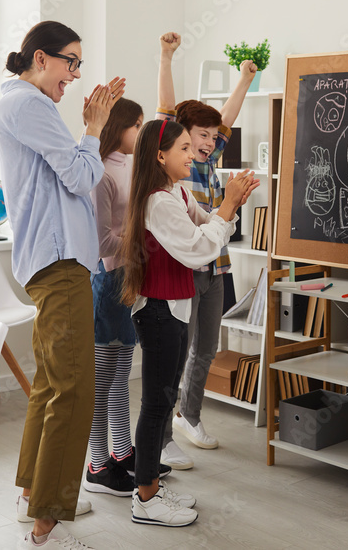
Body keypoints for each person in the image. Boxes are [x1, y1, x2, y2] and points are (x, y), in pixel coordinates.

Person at [0, 20, 124, 550]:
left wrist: (86, 136)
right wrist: (93, 128)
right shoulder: (29, 104)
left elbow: (67, 172)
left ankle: (33, 494)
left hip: (54, 259)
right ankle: (50, 521)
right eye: (70, 62)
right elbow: (79, 177)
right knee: (74, 386)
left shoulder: (25, 104)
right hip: (59, 262)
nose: (75, 75)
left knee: (51, 383)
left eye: (79, 64)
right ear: (40, 58)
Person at [119, 119, 258, 526]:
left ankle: (151, 488)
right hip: (159, 312)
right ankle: (145, 498)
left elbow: (205, 225)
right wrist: (228, 209)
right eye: (183, 148)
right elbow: (198, 250)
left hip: (175, 308)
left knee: (165, 404)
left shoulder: (177, 191)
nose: (193, 154)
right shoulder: (158, 201)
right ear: (160, 156)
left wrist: (229, 207)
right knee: (156, 406)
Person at [155, 31, 258, 469]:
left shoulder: (212, 160)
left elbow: (226, 118)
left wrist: (245, 78)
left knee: (206, 348)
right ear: (182, 136)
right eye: (202, 135)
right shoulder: (177, 162)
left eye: (214, 137)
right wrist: (166, 57)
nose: (211, 141)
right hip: (187, 267)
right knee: (177, 351)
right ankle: (160, 438)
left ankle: (189, 416)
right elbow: (166, 110)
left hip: (217, 265)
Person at [84, 97, 171, 496]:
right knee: (104, 380)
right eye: (137, 124)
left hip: (130, 277)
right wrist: (141, 242)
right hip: (109, 278)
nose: (142, 131)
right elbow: (102, 240)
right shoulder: (100, 173)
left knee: (121, 376)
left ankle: (122, 452)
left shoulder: (131, 165)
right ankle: (96, 464)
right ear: (118, 126)